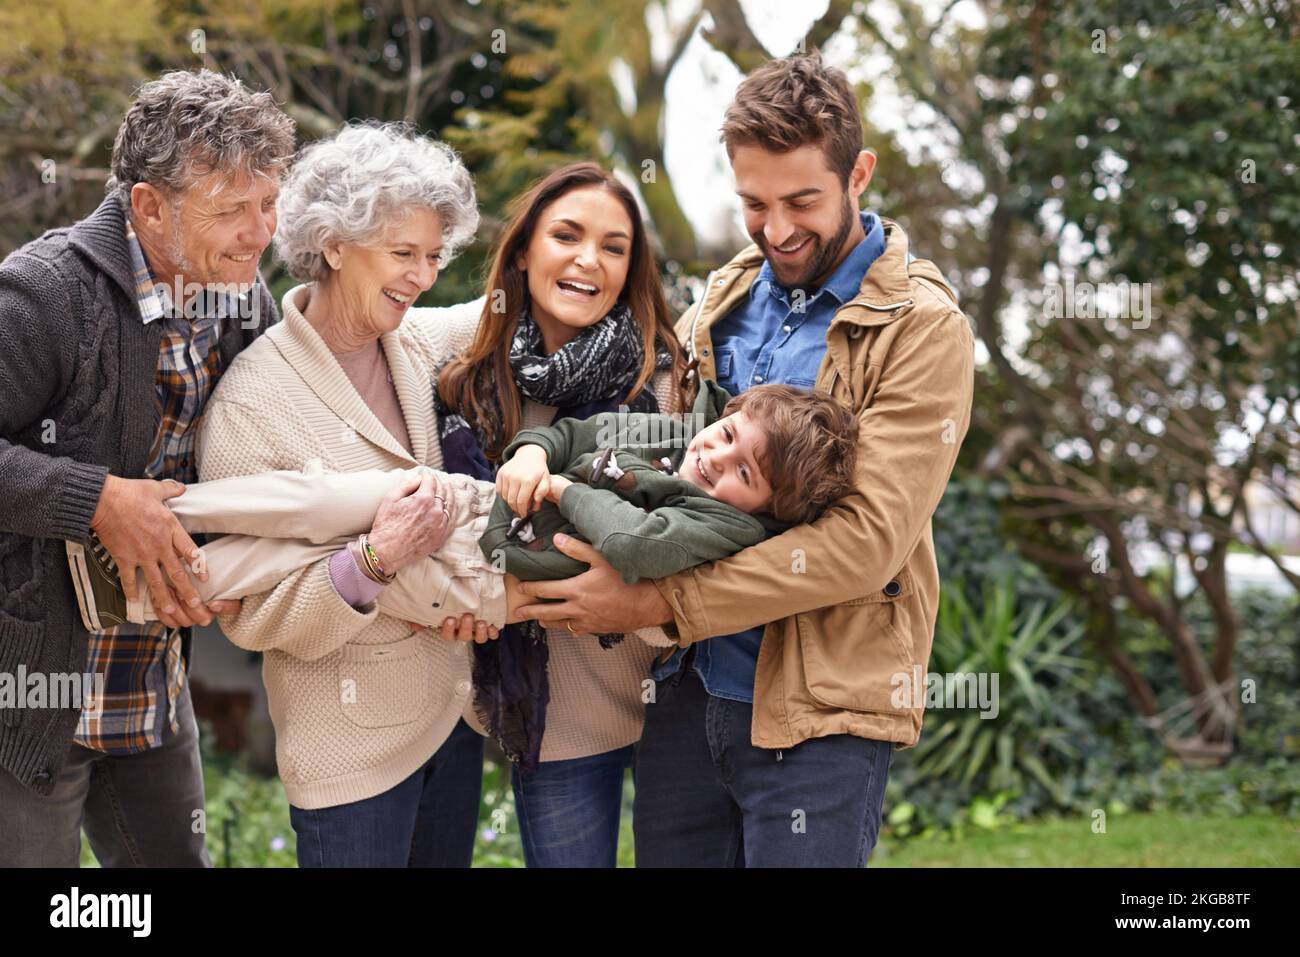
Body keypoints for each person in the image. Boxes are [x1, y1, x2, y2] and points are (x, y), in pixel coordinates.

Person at [508, 51, 977, 867]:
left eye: (803, 201)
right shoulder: (724, 296)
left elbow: (867, 544)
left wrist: (660, 599)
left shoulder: (922, 330)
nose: (778, 229)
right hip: (687, 693)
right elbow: (666, 453)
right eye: (754, 203)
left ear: (858, 172)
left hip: (818, 711)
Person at [78, 379, 860, 782]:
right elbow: (575, 431)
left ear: (766, 509)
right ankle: (161, 509)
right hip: (472, 500)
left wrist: (558, 489)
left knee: (291, 564)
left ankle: (136, 590)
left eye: (743, 471)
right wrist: (529, 453)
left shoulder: (723, 527)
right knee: (317, 495)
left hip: (479, 574)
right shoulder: (679, 435)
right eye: (726, 435)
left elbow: (634, 545)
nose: (715, 457)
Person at [187, 121, 528, 868]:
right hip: (348, 753)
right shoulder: (251, 401)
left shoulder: (423, 342)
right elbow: (250, 609)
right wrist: (372, 560)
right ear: (334, 244)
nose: (423, 276)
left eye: (435, 256)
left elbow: (534, 309)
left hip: (450, 718)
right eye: (403, 253)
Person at [0, 69, 293, 867]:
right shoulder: (45, 293)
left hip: (152, 692)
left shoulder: (243, 297)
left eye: (268, 204)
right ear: (148, 207)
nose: (259, 232)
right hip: (27, 703)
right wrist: (94, 499)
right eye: (231, 209)